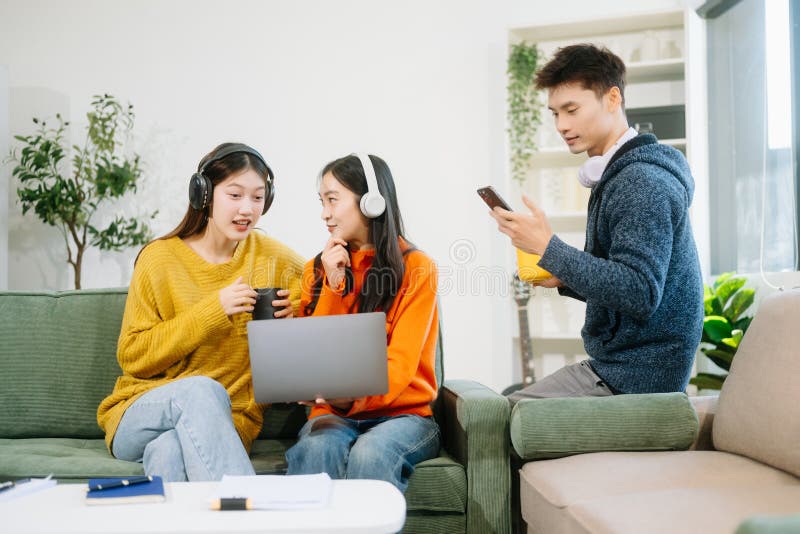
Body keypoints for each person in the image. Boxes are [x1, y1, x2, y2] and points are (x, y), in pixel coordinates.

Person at [490, 44, 703, 402]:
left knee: (499, 417)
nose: (561, 125)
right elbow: (621, 278)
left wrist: (549, 249)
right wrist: (562, 277)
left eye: (571, 110)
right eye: (555, 113)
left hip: (638, 379)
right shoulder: (620, 175)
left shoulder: (640, 182)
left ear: (612, 98)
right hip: (623, 367)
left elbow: (639, 291)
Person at [97, 142, 305, 481]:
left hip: (227, 425)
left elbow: (326, 285)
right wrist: (213, 311)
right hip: (141, 412)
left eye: (257, 197)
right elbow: (132, 356)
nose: (248, 209)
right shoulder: (158, 259)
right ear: (204, 195)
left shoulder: (271, 258)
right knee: (202, 390)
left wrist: (298, 313)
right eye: (235, 195)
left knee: (166, 452)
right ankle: (248, 517)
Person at [285, 153, 441, 492]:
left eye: (332, 200)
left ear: (371, 202)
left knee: (371, 453)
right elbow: (314, 353)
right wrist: (333, 283)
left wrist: (342, 398)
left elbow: (399, 368)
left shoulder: (417, 268)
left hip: (405, 415)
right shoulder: (319, 268)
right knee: (316, 447)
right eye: (321, 201)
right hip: (334, 415)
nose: (324, 213)